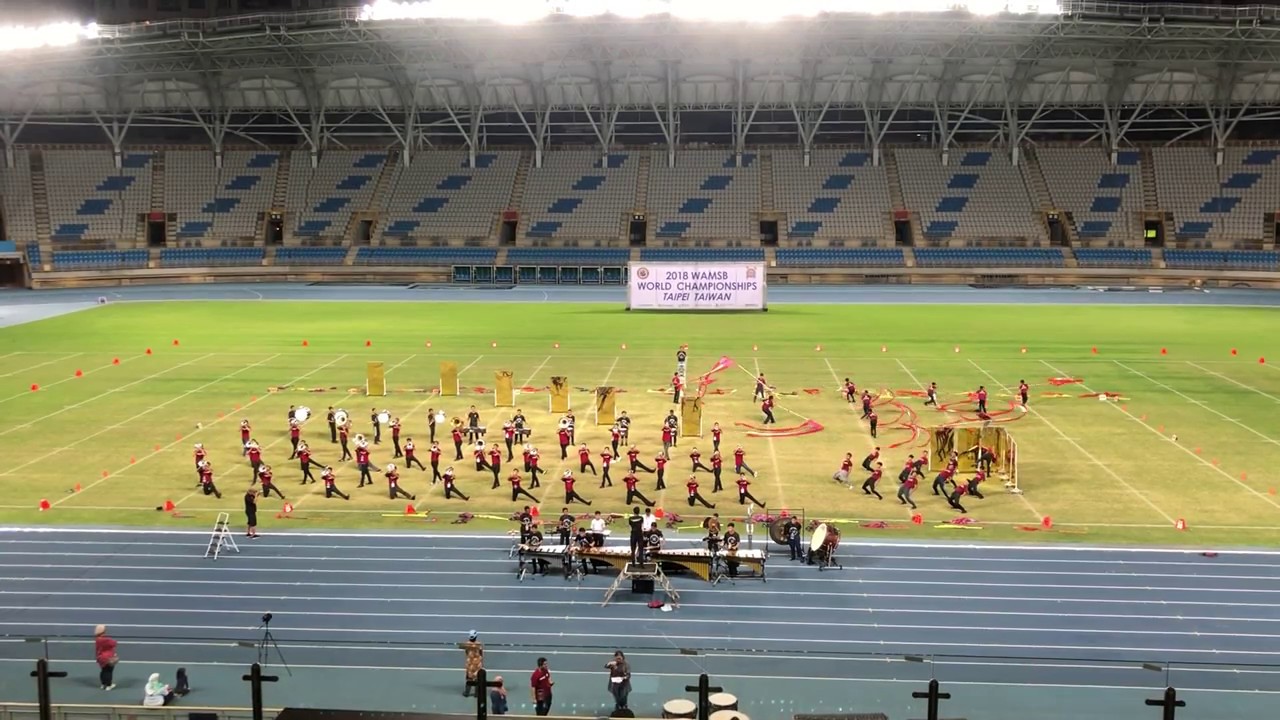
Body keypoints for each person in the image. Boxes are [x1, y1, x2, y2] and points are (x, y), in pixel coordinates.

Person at [94, 625, 118, 691]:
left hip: (100, 657)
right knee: (109, 672)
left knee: (103, 671)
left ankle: (103, 684)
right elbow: (114, 643)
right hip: (108, 658)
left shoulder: (97, 639)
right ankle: (108, 685)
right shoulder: (105, 639)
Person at [460, 630, 484, 697]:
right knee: (477, 679)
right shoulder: (479, 644)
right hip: (477, 664)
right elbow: (481, 653)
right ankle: (477, 693)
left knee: (469, 678)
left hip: (470, 664)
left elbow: (466, 652)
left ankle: (467, 693)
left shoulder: (467, 644)